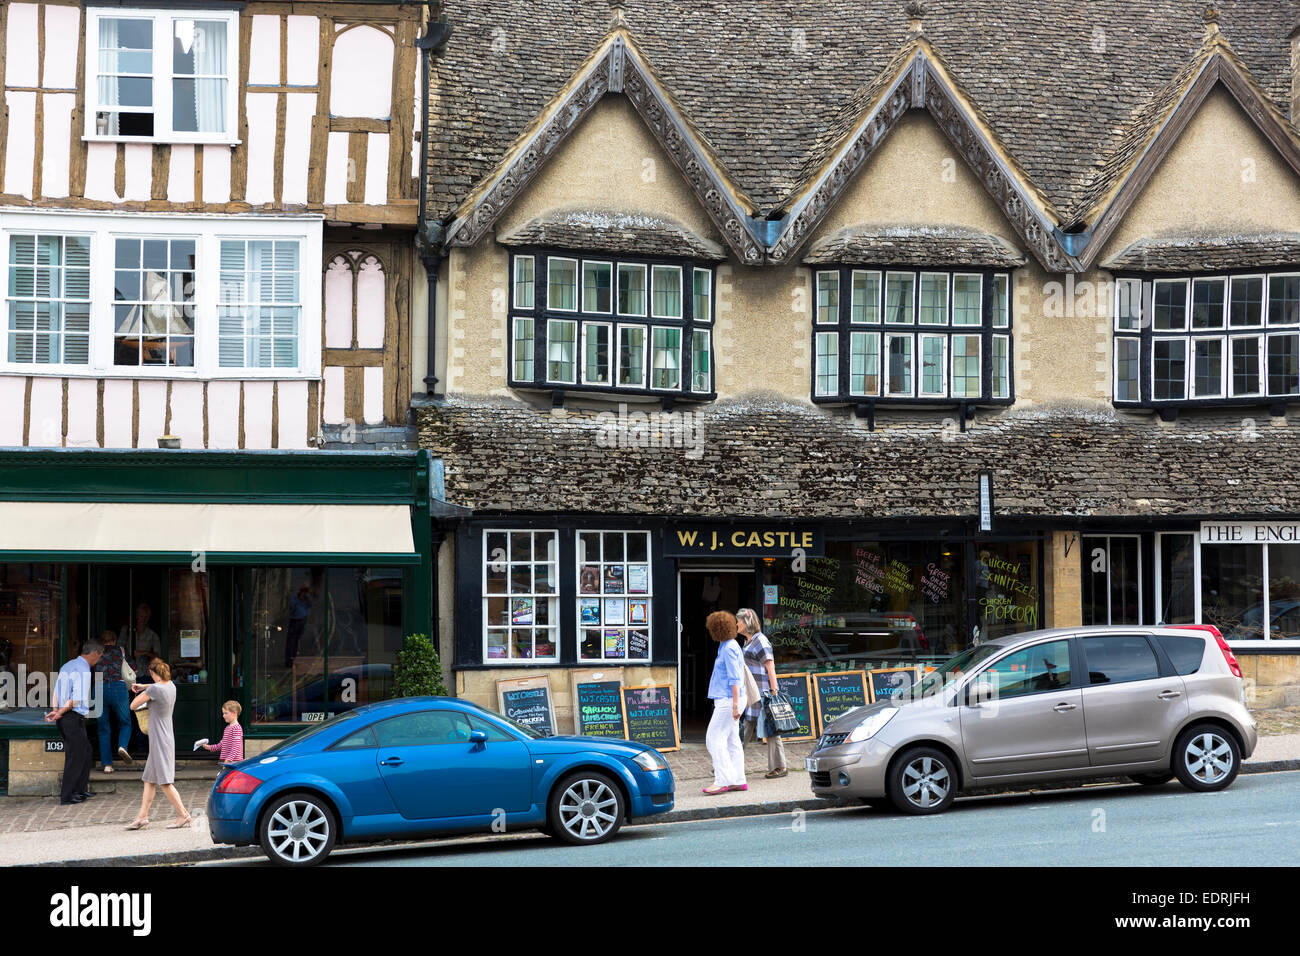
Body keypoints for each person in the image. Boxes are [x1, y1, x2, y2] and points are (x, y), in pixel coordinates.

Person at [125, 659, 192, 829]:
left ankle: (183, 814)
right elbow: (159, 687)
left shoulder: (155, 689)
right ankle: (142, 816)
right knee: (149, 779)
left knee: (164, 781)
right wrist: (144, 686)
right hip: (165, 735)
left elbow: (133, 705)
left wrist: (143, 691)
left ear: (153, 673)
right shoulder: (171, 686)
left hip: (159, 738)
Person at [45, 639, 104, 805]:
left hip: (66, 715)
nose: (99, 660)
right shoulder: (83, 670)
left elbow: (56, 690)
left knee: (85, 751)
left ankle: (80, 790)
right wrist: (59, 713)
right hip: (71, 716)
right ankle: (68, 795)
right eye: (99, 656)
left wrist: (56, 710)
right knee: (75, 755)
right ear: (94, 654)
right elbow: (76, 699)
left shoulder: (68, 665)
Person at [737, 607, 788, 779]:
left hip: (763, 693)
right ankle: (731, 763)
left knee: (772, 729)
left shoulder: (760, 641)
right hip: (751, 692)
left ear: (747, 623)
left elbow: (770, 667)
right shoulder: (748, 641)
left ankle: (780, 766)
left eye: (739, 621)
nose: (736, 624)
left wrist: (774, 692)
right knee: (745, 726)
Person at [702, 610, 746, 796]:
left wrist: (735, 705)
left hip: (729, 700)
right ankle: (738, 779)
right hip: (731, 699)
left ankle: (722, 780)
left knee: (713, 739)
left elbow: (734, 678)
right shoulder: (729, 645)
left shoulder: (728, 648)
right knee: (731, 740)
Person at [94, 629, 134, 773]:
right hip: (118, 686)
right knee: (125, 723)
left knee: (103, 728)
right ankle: (122, 746)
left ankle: (107, 765)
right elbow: (133, 668)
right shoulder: (121, 651)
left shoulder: (96, 652)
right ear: (115, 640)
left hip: (99, 687)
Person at [121, 602, 161, 668]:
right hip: (127, 670)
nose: (144, 619)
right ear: (136, 616)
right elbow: (119, 649)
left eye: (146, 617)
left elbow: (158, 656)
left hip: (144, 672)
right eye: (141, 616)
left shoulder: (153, 635)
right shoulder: (126, 630)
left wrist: (145, 653)